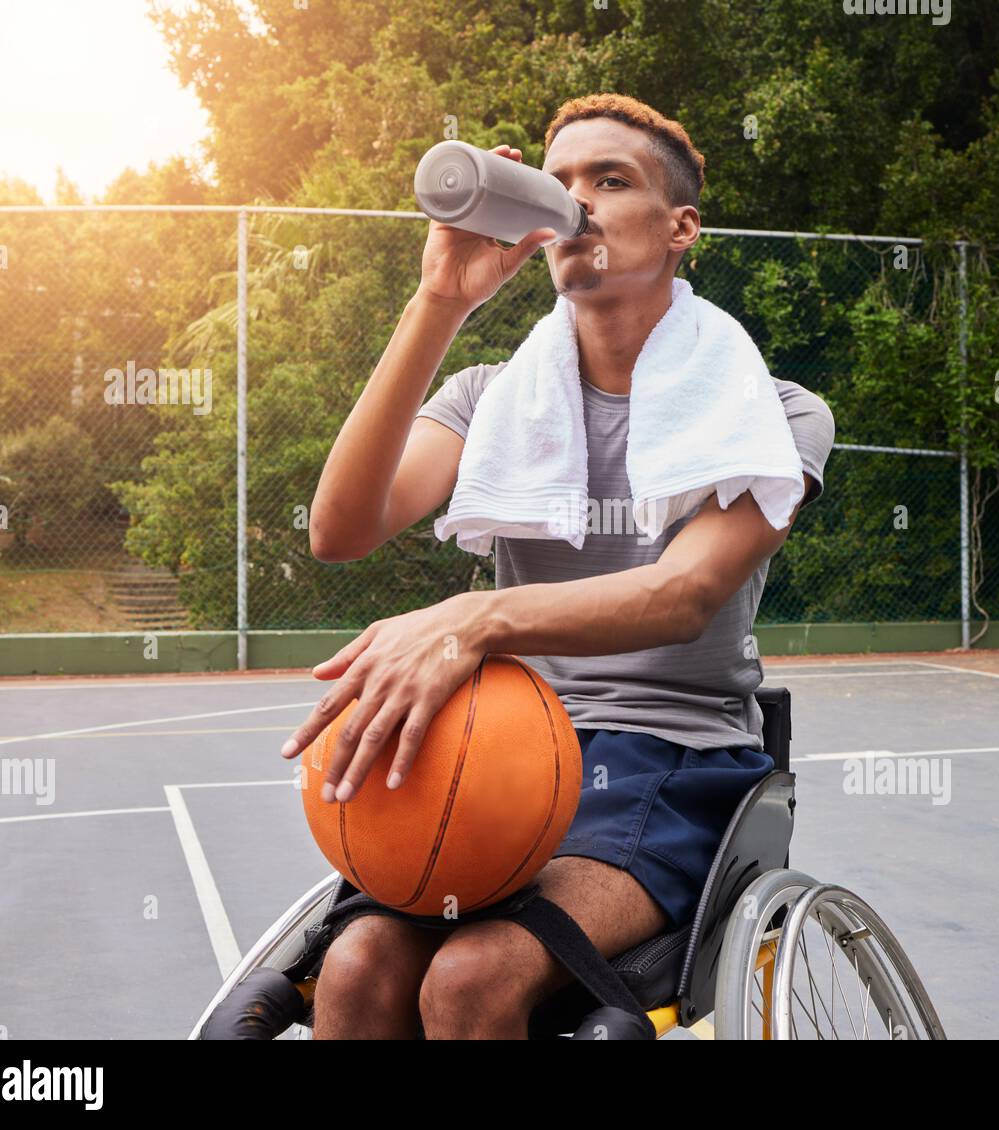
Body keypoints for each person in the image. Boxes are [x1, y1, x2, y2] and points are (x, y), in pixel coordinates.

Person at [281, 93, 834, 1039]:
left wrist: (476, 618)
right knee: (357, 969)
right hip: (508, 748)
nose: (577, 202)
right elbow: (340, 529)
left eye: (609, 181)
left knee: (470, 981)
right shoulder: (492, 400)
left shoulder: (775, 415)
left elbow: (684, 594)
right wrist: (441, 299)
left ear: (679, 229)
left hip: (669, 753)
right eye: (561, 182)